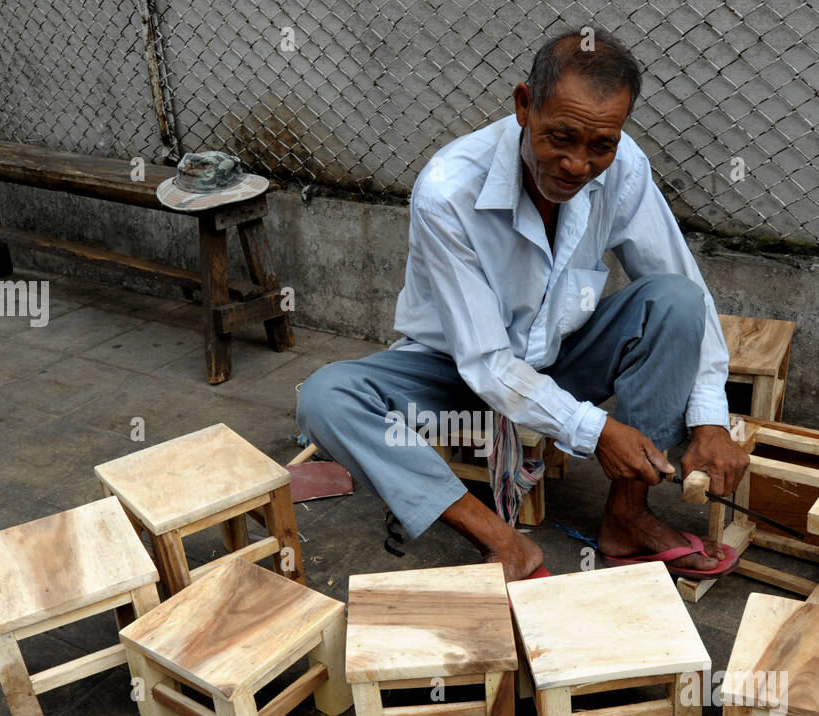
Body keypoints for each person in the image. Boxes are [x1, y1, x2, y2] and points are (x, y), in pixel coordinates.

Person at [298, 27, 749, 582]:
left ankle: (627, 519)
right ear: (523, 106)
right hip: (451, 374)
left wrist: (709, 422)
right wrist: (594, 431)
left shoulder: (624, 165)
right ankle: (504, 542)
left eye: (599, 145)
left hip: (557, 362)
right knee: (326, 397)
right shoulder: (448, 190)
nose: (578, 165)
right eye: (561, 137)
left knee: (676, 301)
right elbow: (486, 364)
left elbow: (682, 283)